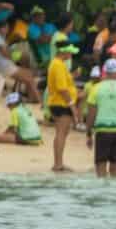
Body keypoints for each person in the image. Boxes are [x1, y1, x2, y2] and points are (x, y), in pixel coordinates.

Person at [86, 57, 116, 178]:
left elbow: (91, 115)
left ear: (104, 72)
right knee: (115, 168)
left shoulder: (96, 88)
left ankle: (103, 193)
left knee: (100, 166)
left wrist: (88, 134)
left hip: (102, 130)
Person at [44, 34, 80, 173]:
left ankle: (59, 163)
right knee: (61, 133)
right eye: (69, 51)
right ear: (64, 51)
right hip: (61, 103)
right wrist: (72, 104)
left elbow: (64, 82)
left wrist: (72, 76)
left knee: (63, 133)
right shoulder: (58, 65)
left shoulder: (58, 64)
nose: (71, 54)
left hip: (59, 102)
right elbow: (61, 88)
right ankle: (58, 164)